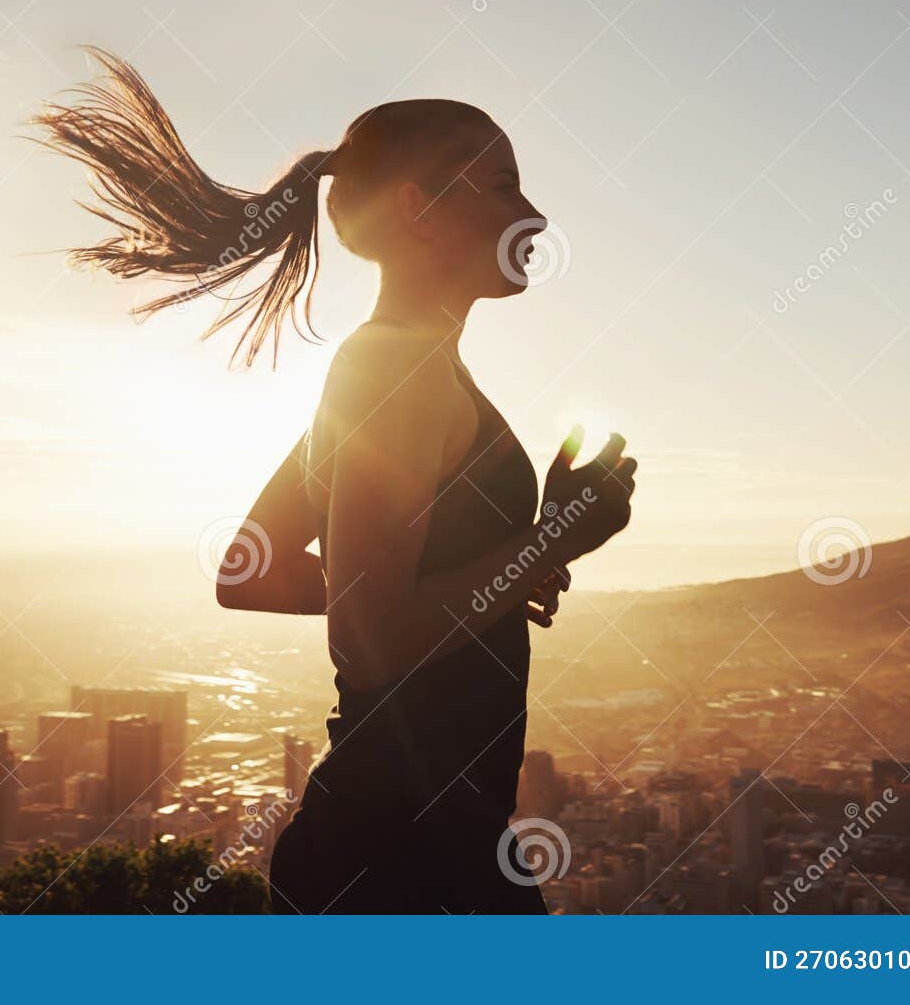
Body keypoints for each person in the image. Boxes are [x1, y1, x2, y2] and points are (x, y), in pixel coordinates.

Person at [37, 51, 638, 912]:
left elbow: (250, 572)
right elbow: (371, 641)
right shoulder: (399, 381)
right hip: (405, 857)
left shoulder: (385, 371)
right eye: (503, 186)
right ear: (417, 208)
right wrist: (552, 538)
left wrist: (498, 576)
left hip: (400, 842)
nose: (534, 214)